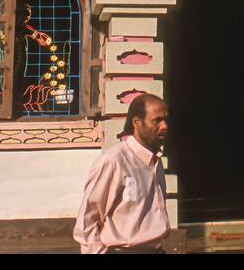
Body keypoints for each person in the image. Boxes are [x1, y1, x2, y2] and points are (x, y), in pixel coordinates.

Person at [73, 94, 171, 253]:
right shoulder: (113, 162)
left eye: (166, 119)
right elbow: (87, 221)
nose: (164, 126)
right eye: (157, 120)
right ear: (137, 123)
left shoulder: (156, 161)